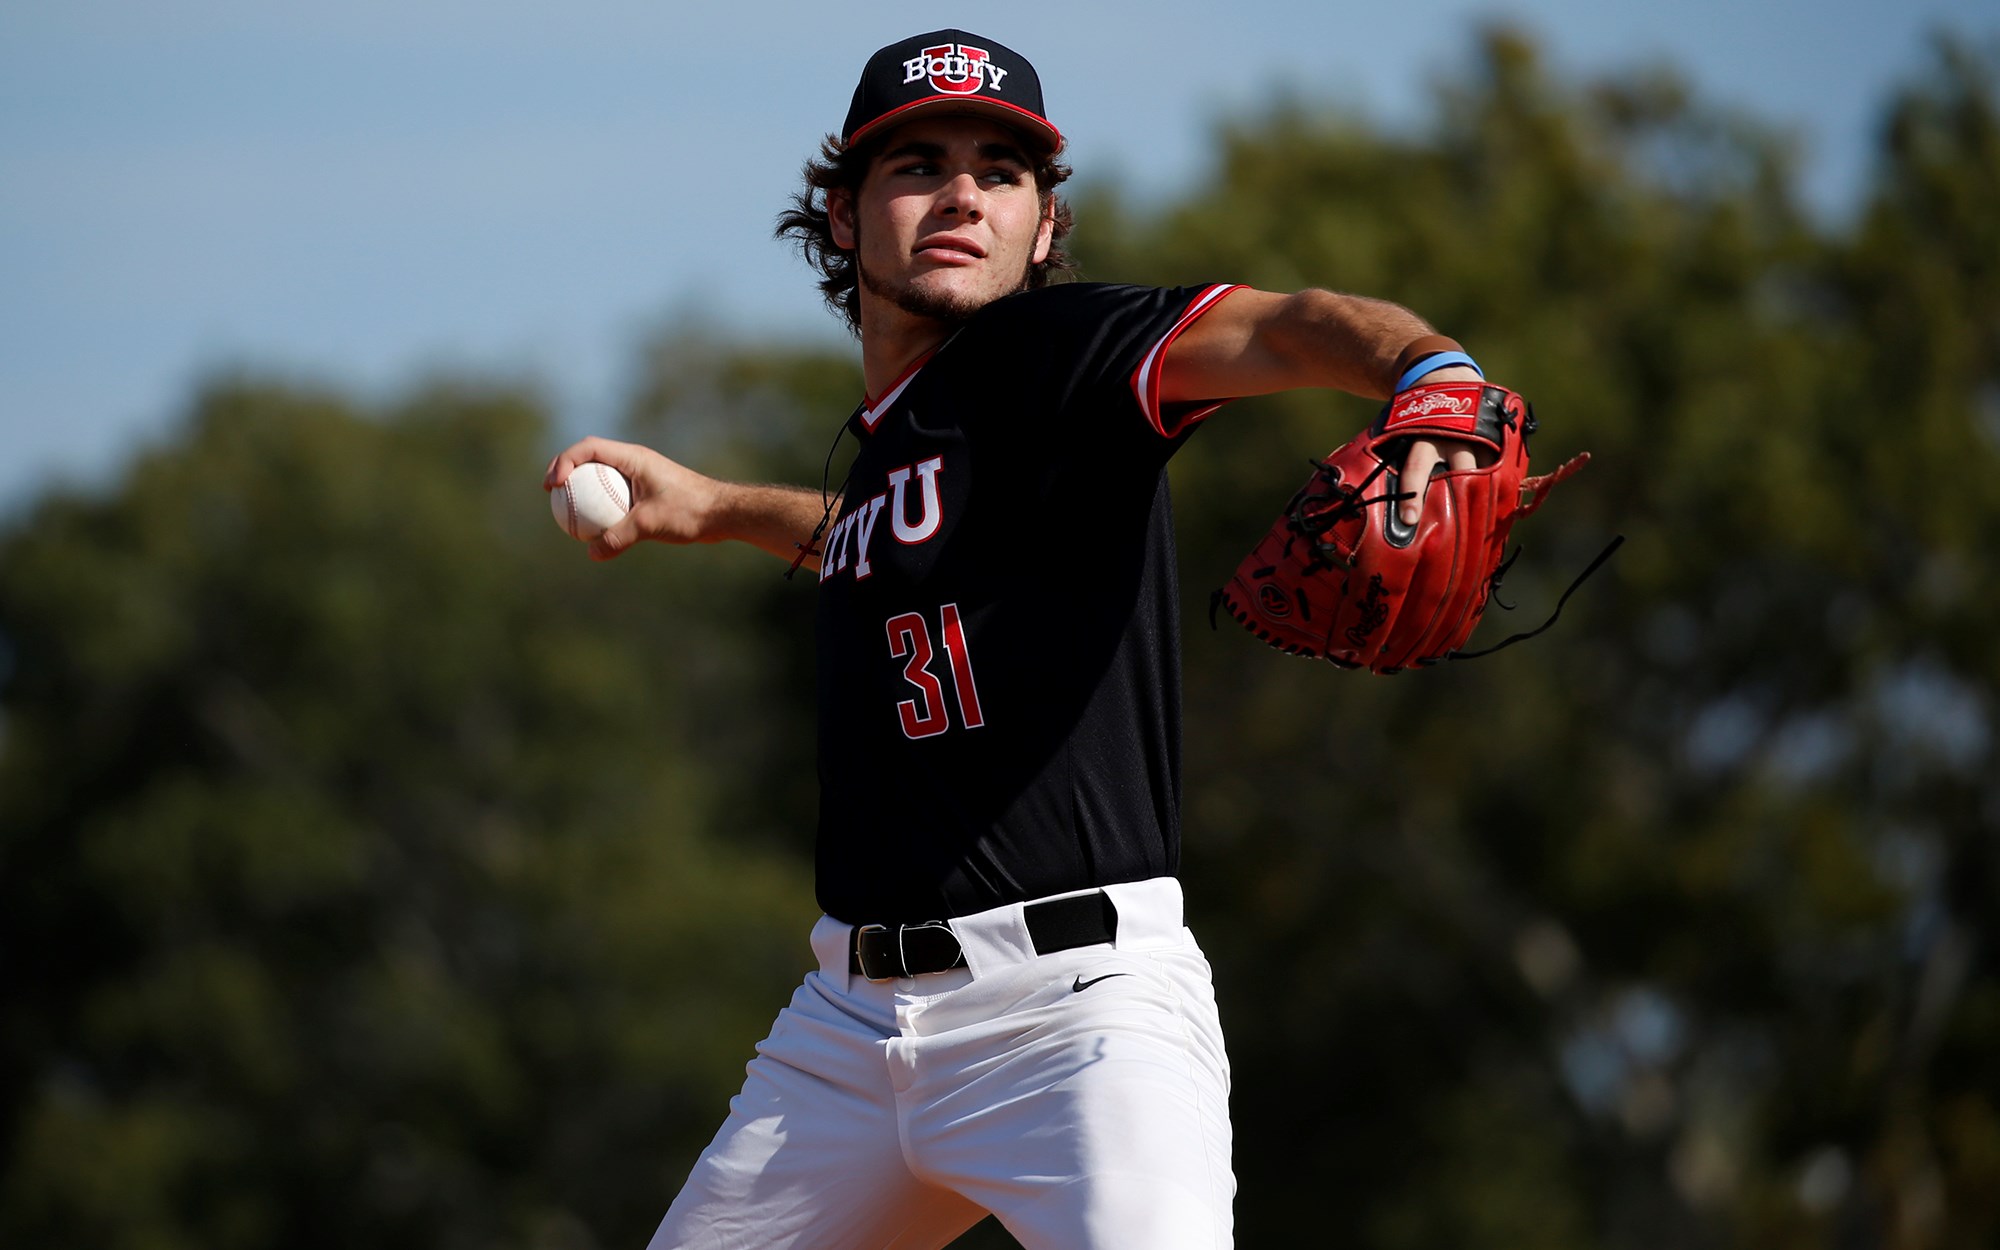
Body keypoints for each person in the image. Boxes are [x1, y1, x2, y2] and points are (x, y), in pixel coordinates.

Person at [545, 29, 1491, 1250]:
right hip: (845, 1033)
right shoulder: (898, 443)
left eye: (999, 172)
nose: (961, 195)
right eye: (917, 165)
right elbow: (880, 544)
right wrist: (720, 507)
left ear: (1042, 227)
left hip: (1074, 1016)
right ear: (840, 214)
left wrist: (1427, 368)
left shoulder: (1063, 358)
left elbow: (1286, 325)